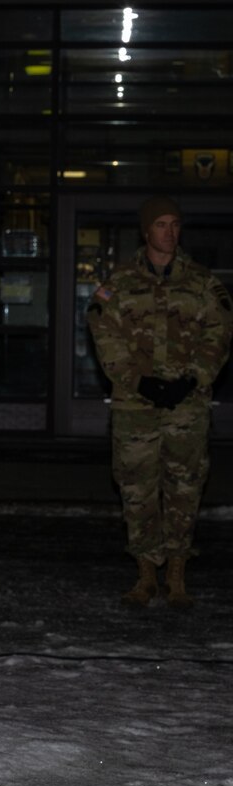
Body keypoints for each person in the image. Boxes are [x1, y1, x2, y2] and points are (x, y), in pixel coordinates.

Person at [86, 196, 233, 609]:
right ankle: (145, 574)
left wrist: (192, 380)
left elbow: (219, 333)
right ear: (146, 231)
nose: (171, 232)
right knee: (137, 489)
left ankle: (177, 574)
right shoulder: (120, 282)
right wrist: (137, 381)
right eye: (162, 224)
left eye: (176, 224)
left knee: (184, 488)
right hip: (135, 405)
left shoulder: (203, 283)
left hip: (188, 406)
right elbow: (102, 330)